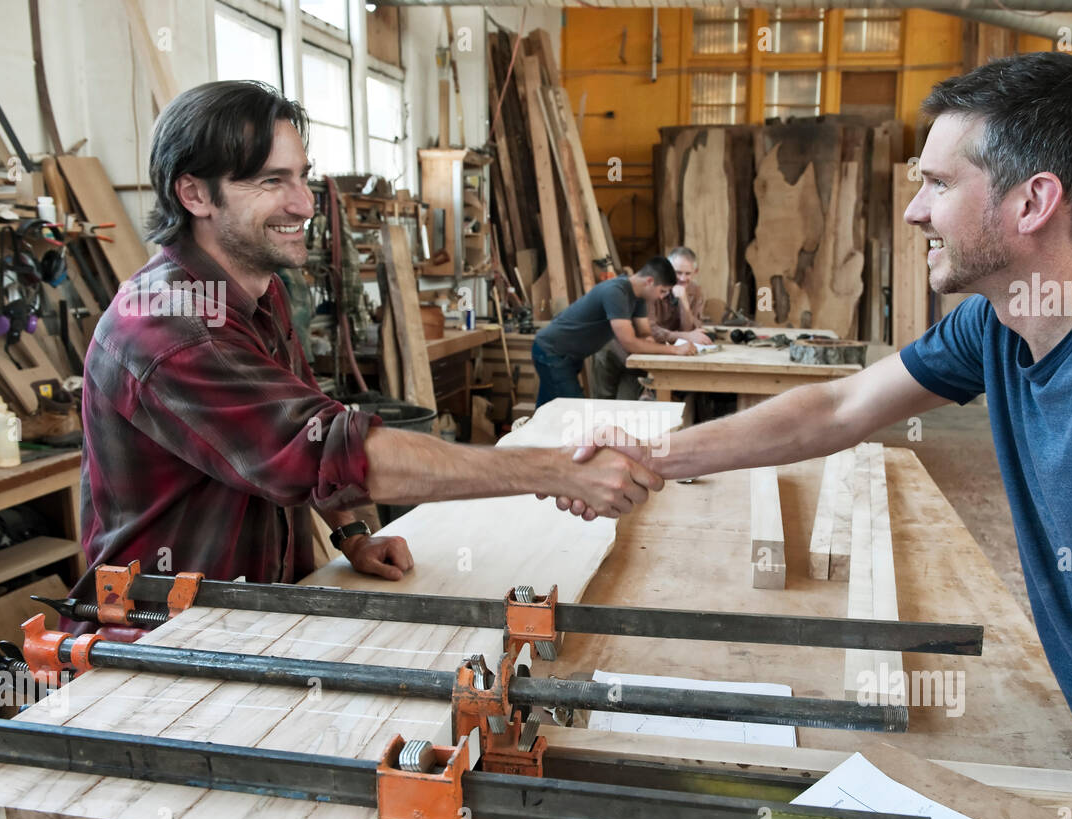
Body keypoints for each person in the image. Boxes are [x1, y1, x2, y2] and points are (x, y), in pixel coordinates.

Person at [549, 53, 1072, 819]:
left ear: (1034, 201)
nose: (916, 210)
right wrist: (650, 455)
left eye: (938, 183)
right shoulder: (1008, 321)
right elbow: (840, 405)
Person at [74, 80, 661, 608]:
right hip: (160, 636)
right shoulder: (168, 326)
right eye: (271, 181)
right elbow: (323, 450)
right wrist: (555, 470)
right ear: (195, 196)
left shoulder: (259, 291)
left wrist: (351, 531)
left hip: (253, 611)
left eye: (301, 176)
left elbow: (308, 419)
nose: (303, 203)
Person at [532, 258, 703, 407]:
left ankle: (531, 443)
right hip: (552, 351)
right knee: (576, 413)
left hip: (569, 356)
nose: (662, 297)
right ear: (650, 281)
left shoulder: (639, 297)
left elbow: (644, 332)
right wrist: (674, 350)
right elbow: (629, 342)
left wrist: (651, 343)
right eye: (662, 291)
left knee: (546, 410)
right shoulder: (615, 292)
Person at [592, 247, 709, 400]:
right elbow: (651, 330)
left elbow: (693, 331)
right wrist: (685, 336)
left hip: (641, 357)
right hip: (615, 349)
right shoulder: (652, 288)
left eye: (687, 274)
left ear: (695, 272)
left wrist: (684, 302)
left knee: (626, 403)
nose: (682, 278)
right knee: (603, 401)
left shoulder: (695, 291)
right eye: (677, 272)